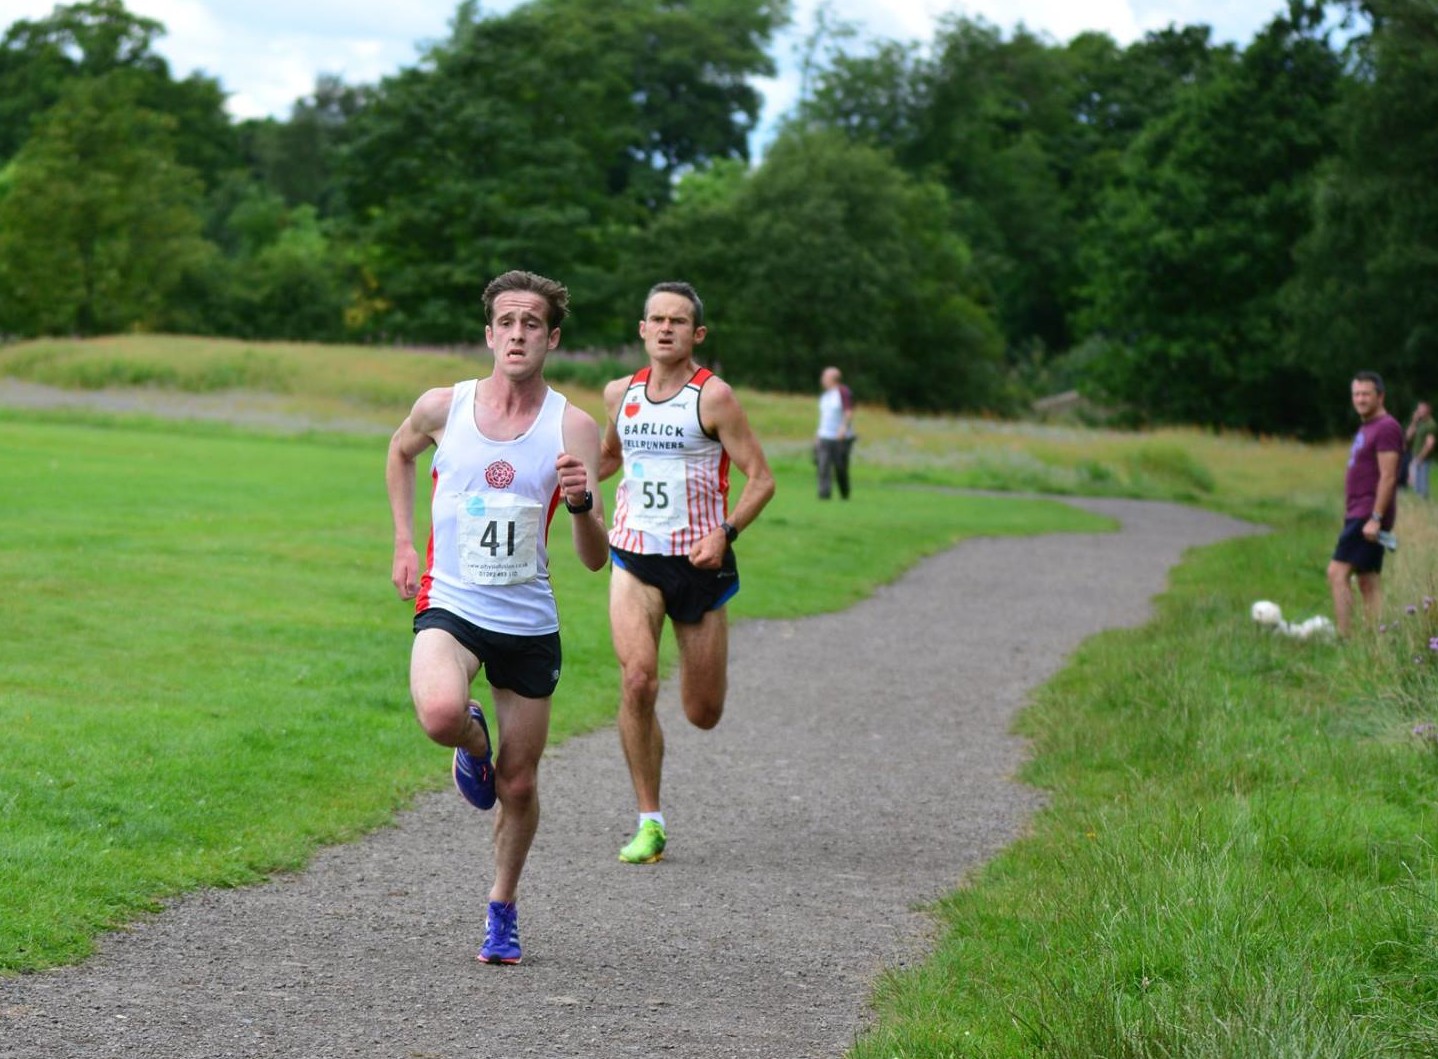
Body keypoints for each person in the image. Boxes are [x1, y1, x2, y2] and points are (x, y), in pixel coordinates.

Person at [386, 270, 609, 964]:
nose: (518, 334)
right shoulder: (441, 407)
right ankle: (470, 742)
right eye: (507, 322)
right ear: (489, 334)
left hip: (527, 618)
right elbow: (398, 452)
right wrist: (402, 538)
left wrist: (579, 504)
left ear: (552, 337)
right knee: (440, 712)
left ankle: (502, 906)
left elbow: (596, 556)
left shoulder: (572, 426)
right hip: (451, 599)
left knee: (519, 783)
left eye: (532, 323)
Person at [599, 281, 776, 864]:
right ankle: (649, 819)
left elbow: (761, 478)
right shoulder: (619, 394)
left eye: (679, 320)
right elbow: (607, 458)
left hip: (700, 566)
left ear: (696, 334)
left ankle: (688, 714)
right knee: (638, 681)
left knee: (703, 713)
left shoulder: (714, 398)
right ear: (643, 329)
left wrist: (725, 534)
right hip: (633, 556)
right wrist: (556, 481)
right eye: (657, 319)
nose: (666, 328)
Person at [1327, 371, 1403, 637]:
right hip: (1359, 512)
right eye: (1356, 394)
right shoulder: (1367, 426)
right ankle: (1376, 642)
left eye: (1365, 394)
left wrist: (1376, 517)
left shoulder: (1386, 428)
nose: (1360, 399)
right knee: (1368, 580)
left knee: (1337, 573)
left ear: (1380, 396)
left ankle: (1344, 638)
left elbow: (1389, 476)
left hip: (1368, 514)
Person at [815, 366, 855, 500]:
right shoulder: (825, 396)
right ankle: (824, 495)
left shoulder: (843, 392)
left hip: (840, 437)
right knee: (823, 466)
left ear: (833, 379)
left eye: (824, 377)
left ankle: (845, 494)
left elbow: (848, 412)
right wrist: (818, 435)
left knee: (840, 468)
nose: (822, 380)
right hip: (825, 436)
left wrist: (843, 428)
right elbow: (824, 418)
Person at [1405, 400, 1435, 500]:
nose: (1419, 410)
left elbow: (1430, 444)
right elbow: (1408, 436)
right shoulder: (1419, 423)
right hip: (1415, 456)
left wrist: (1420, 458)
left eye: (1422, 408)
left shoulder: (1431, 425)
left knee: (1422, 485)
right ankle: (1419, 506)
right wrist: (1414, 421)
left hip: (1423, 458)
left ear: (1428, 409)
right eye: (1418, 408)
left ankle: (1424, 504)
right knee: (1415, 485)